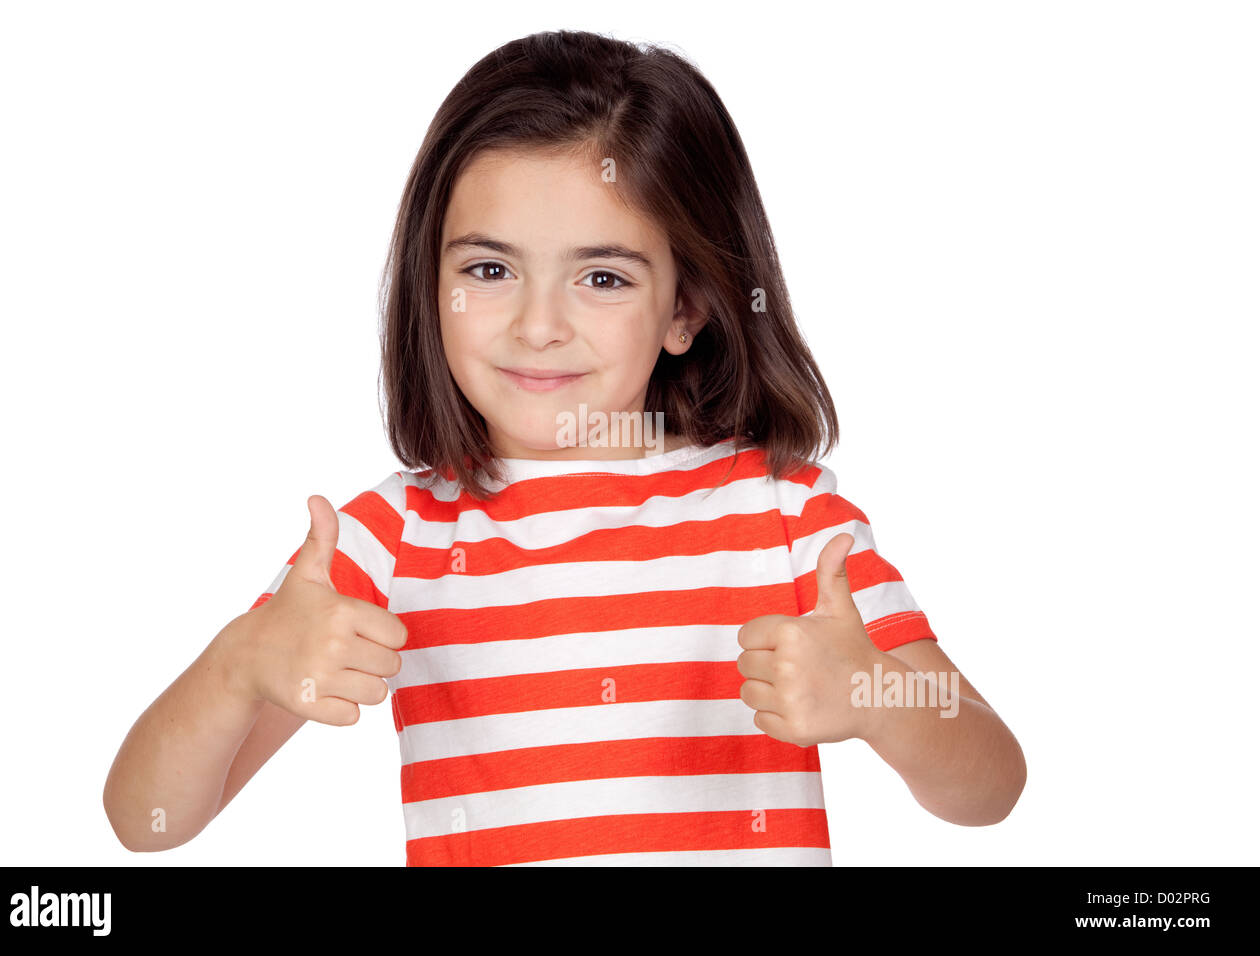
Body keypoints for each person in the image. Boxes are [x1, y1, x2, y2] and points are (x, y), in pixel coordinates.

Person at [103, 29, 1026, 866]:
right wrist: (240, 662)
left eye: (601, 276)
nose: (538, 326)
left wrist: (877, 698)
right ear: (431, 282)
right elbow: (149, 818)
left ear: (689, 308)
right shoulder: (388, 539)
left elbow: (991, 785)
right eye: (490, 269)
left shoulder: (788, 519)